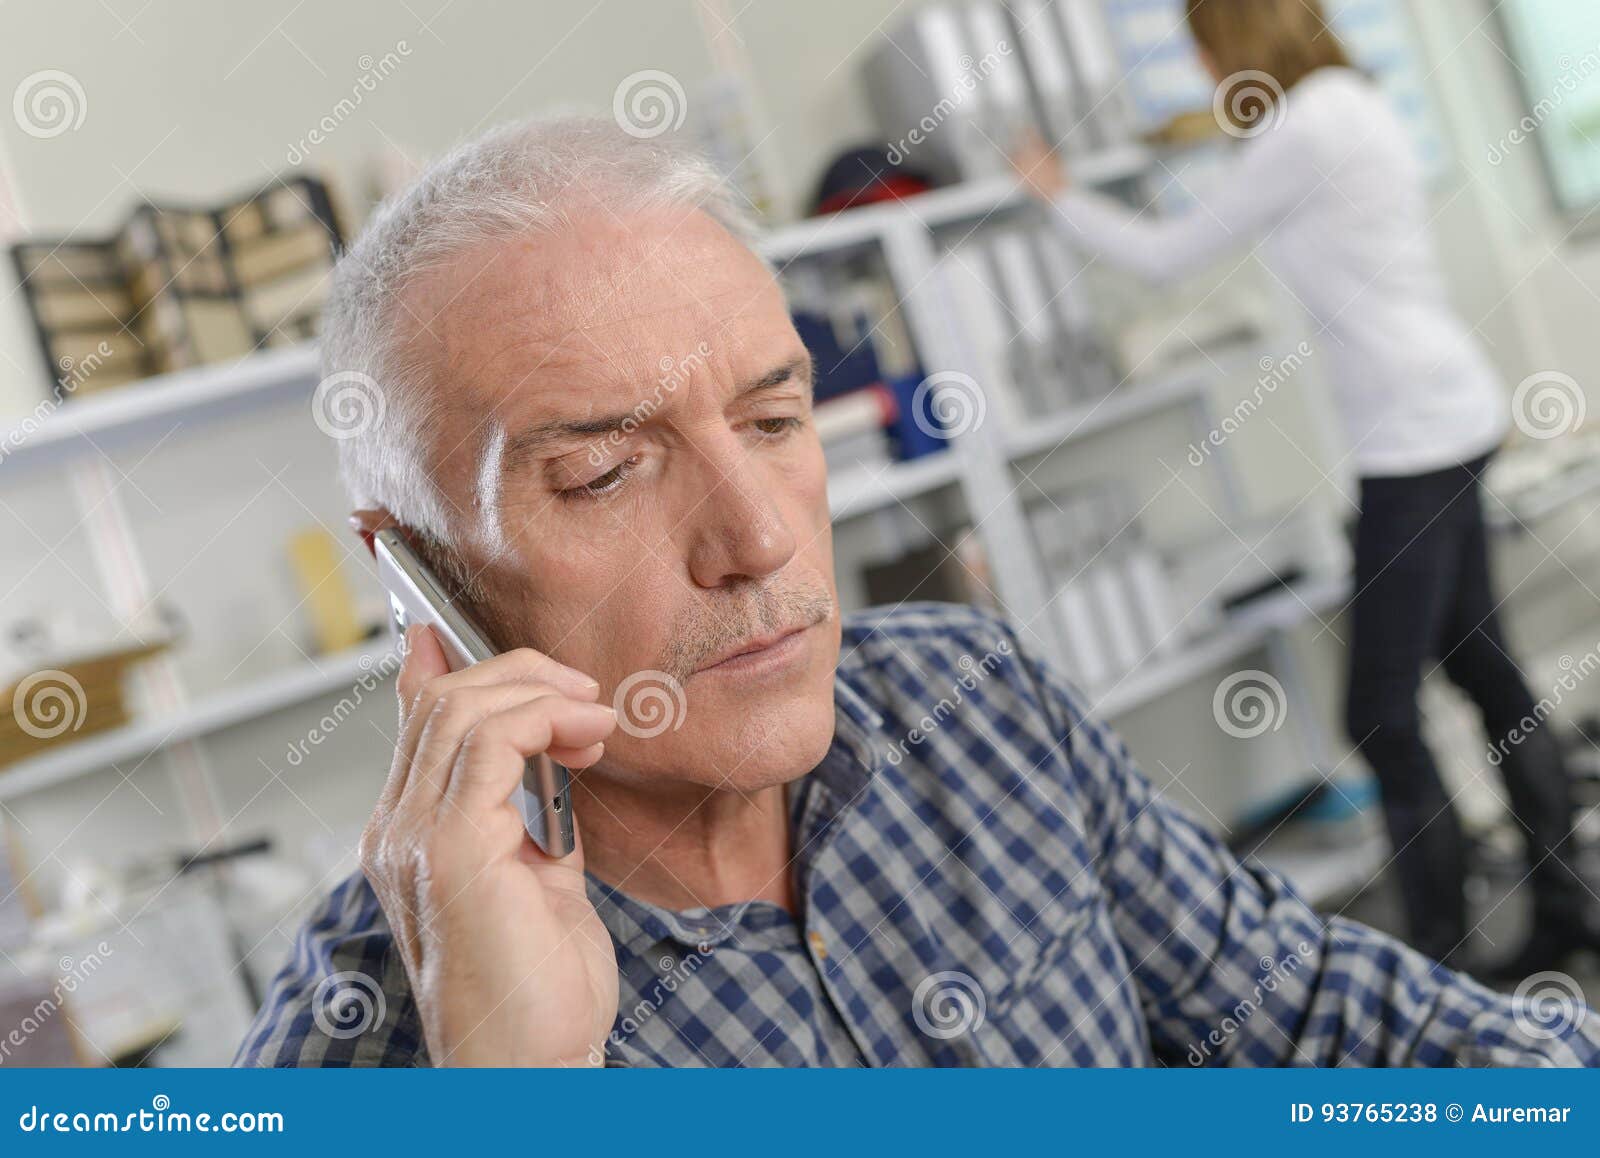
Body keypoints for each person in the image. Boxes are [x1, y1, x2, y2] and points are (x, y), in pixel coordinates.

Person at [235, 113, 1596, 1068]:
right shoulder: (359, 1046)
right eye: (603, 473)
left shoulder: (967, 696)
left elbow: (1320, 1021)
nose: (762, 539)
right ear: (419, 572)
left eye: (775, 422)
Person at [1011, 0, 1595, 977]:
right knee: (1484, 671)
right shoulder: (1347, 102)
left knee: (1378, 712)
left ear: (1234, 44)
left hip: (1410, 440)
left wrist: (1055, 193)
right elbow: (1252, 151)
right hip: (1450, 412)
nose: (1200, 72)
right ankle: (1566, 909)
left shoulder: (1299, 129)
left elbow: (1165, 256)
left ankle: (1438, 959)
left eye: (1201, 51)